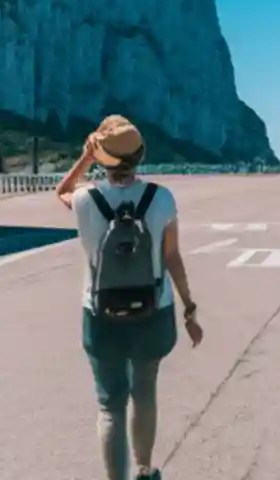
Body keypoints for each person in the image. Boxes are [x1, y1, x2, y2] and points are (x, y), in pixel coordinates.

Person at [55, 115, 204, 480]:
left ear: (101, 156)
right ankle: (144, 469)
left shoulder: (85, 199)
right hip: (153, 312)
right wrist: (189, 307)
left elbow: (61, 189)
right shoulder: (162, 199)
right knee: (145, 390)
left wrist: (85, 158)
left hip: (100, 314)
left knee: (110, 406)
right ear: (140, 156)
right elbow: (172, 258)